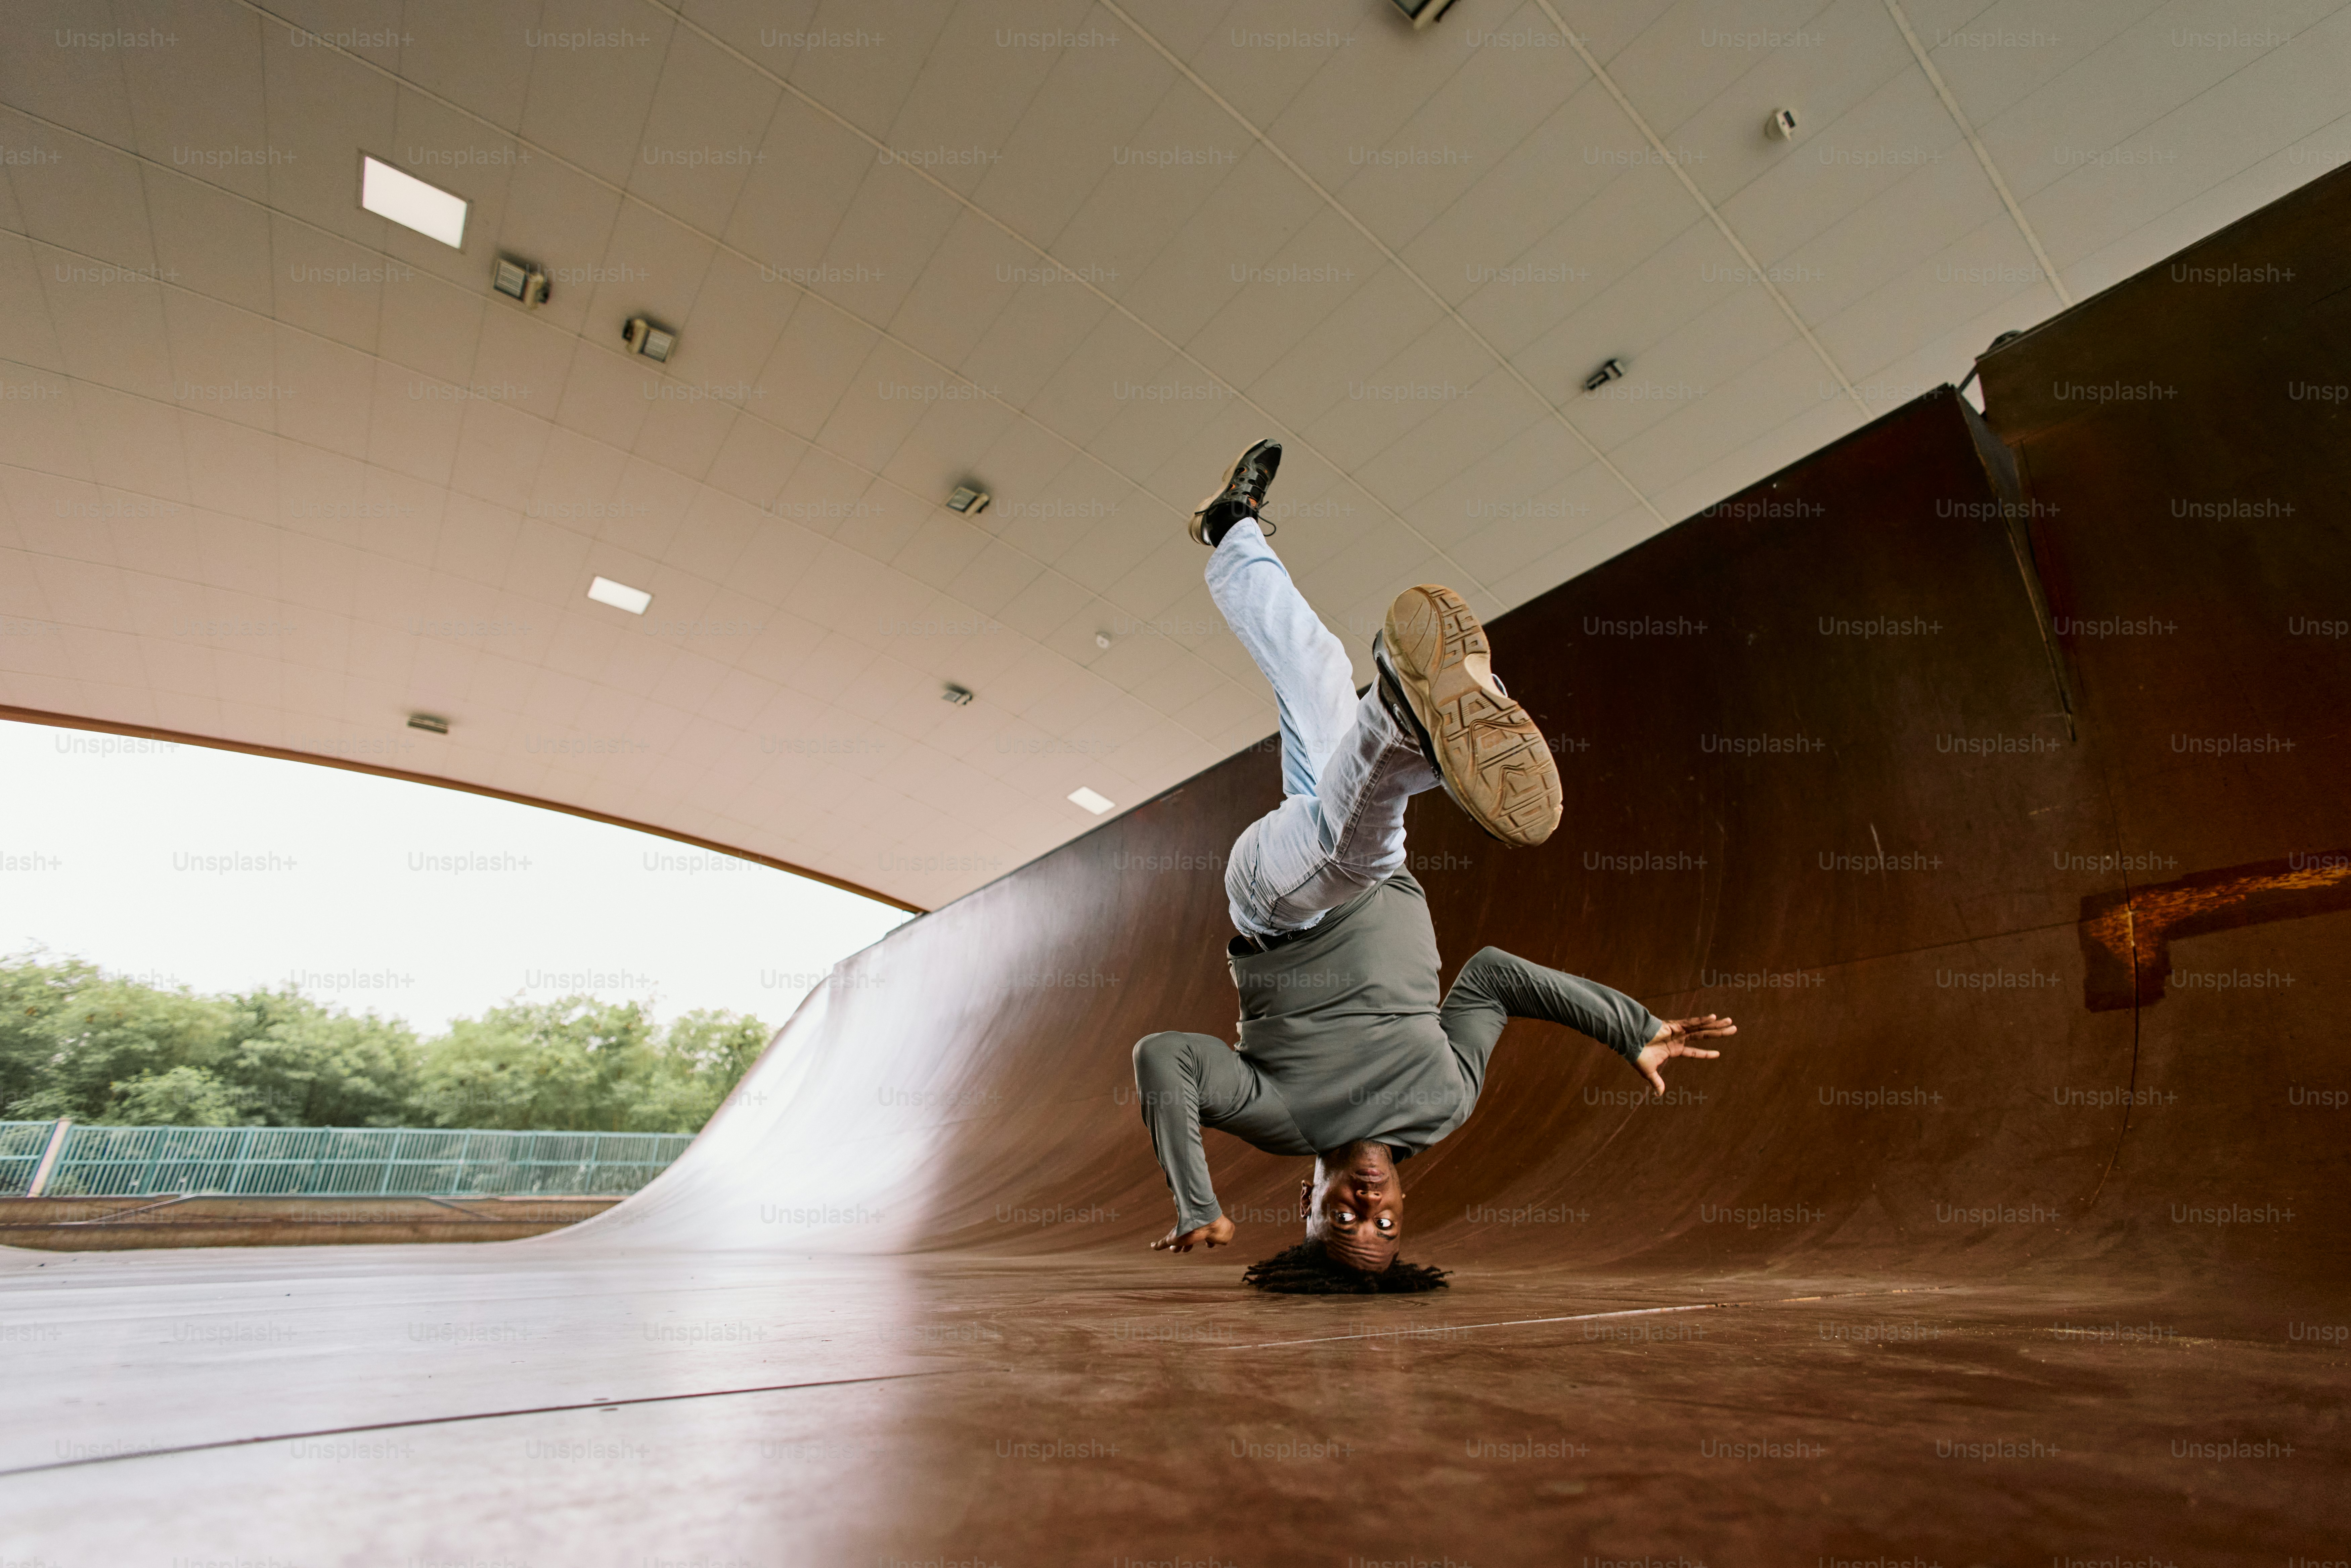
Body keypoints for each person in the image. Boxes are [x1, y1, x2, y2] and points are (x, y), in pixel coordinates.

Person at [1133, 440, 1735, 1294]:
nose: (1365, 1203)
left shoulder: (1280, 1120)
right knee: (1312, 673)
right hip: (1364, 857)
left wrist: (1197, 1201)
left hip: (1280, 900)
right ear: (1404, 1204)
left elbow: (1165, 1058)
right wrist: (1627, 1027)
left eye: (1339, 1218)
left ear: (1308, 1202)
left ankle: (1403, 713)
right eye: (1383, 1222)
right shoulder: (1445, 1101)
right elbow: (1492, 979)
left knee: (1356, 836)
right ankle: (1231, 532)